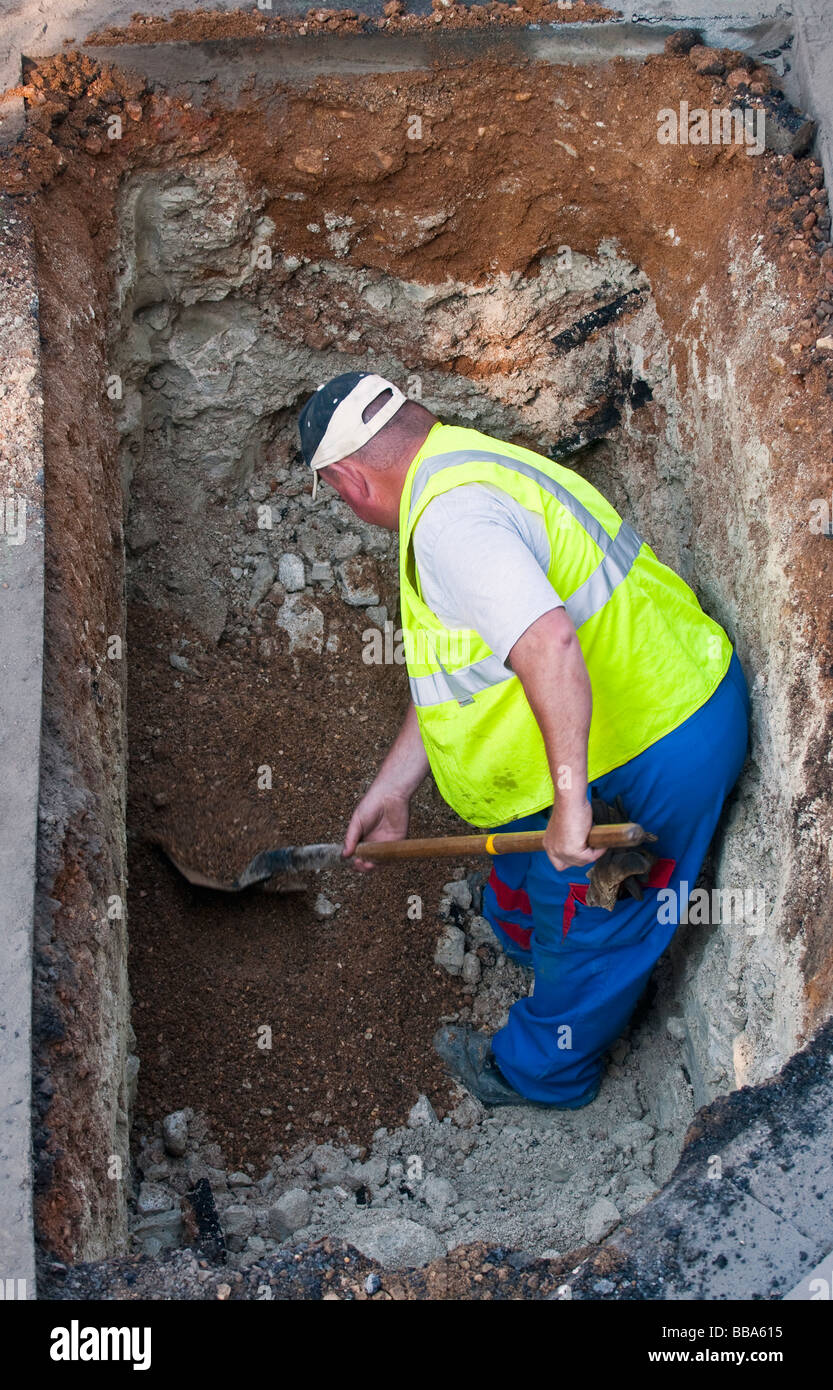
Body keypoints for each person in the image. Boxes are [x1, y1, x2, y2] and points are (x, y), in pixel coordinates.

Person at [297, 371, 750, 1108]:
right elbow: (468, 666)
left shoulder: (450, 524)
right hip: (647, 705)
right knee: (544, 890)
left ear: (347, 478)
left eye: (331, 491)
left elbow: (546, 643)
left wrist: (571, 802)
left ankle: (541, 1073)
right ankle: (530, 941)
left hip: (651, 746)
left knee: (597, 918)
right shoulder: (463, 463)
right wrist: (393, 786)